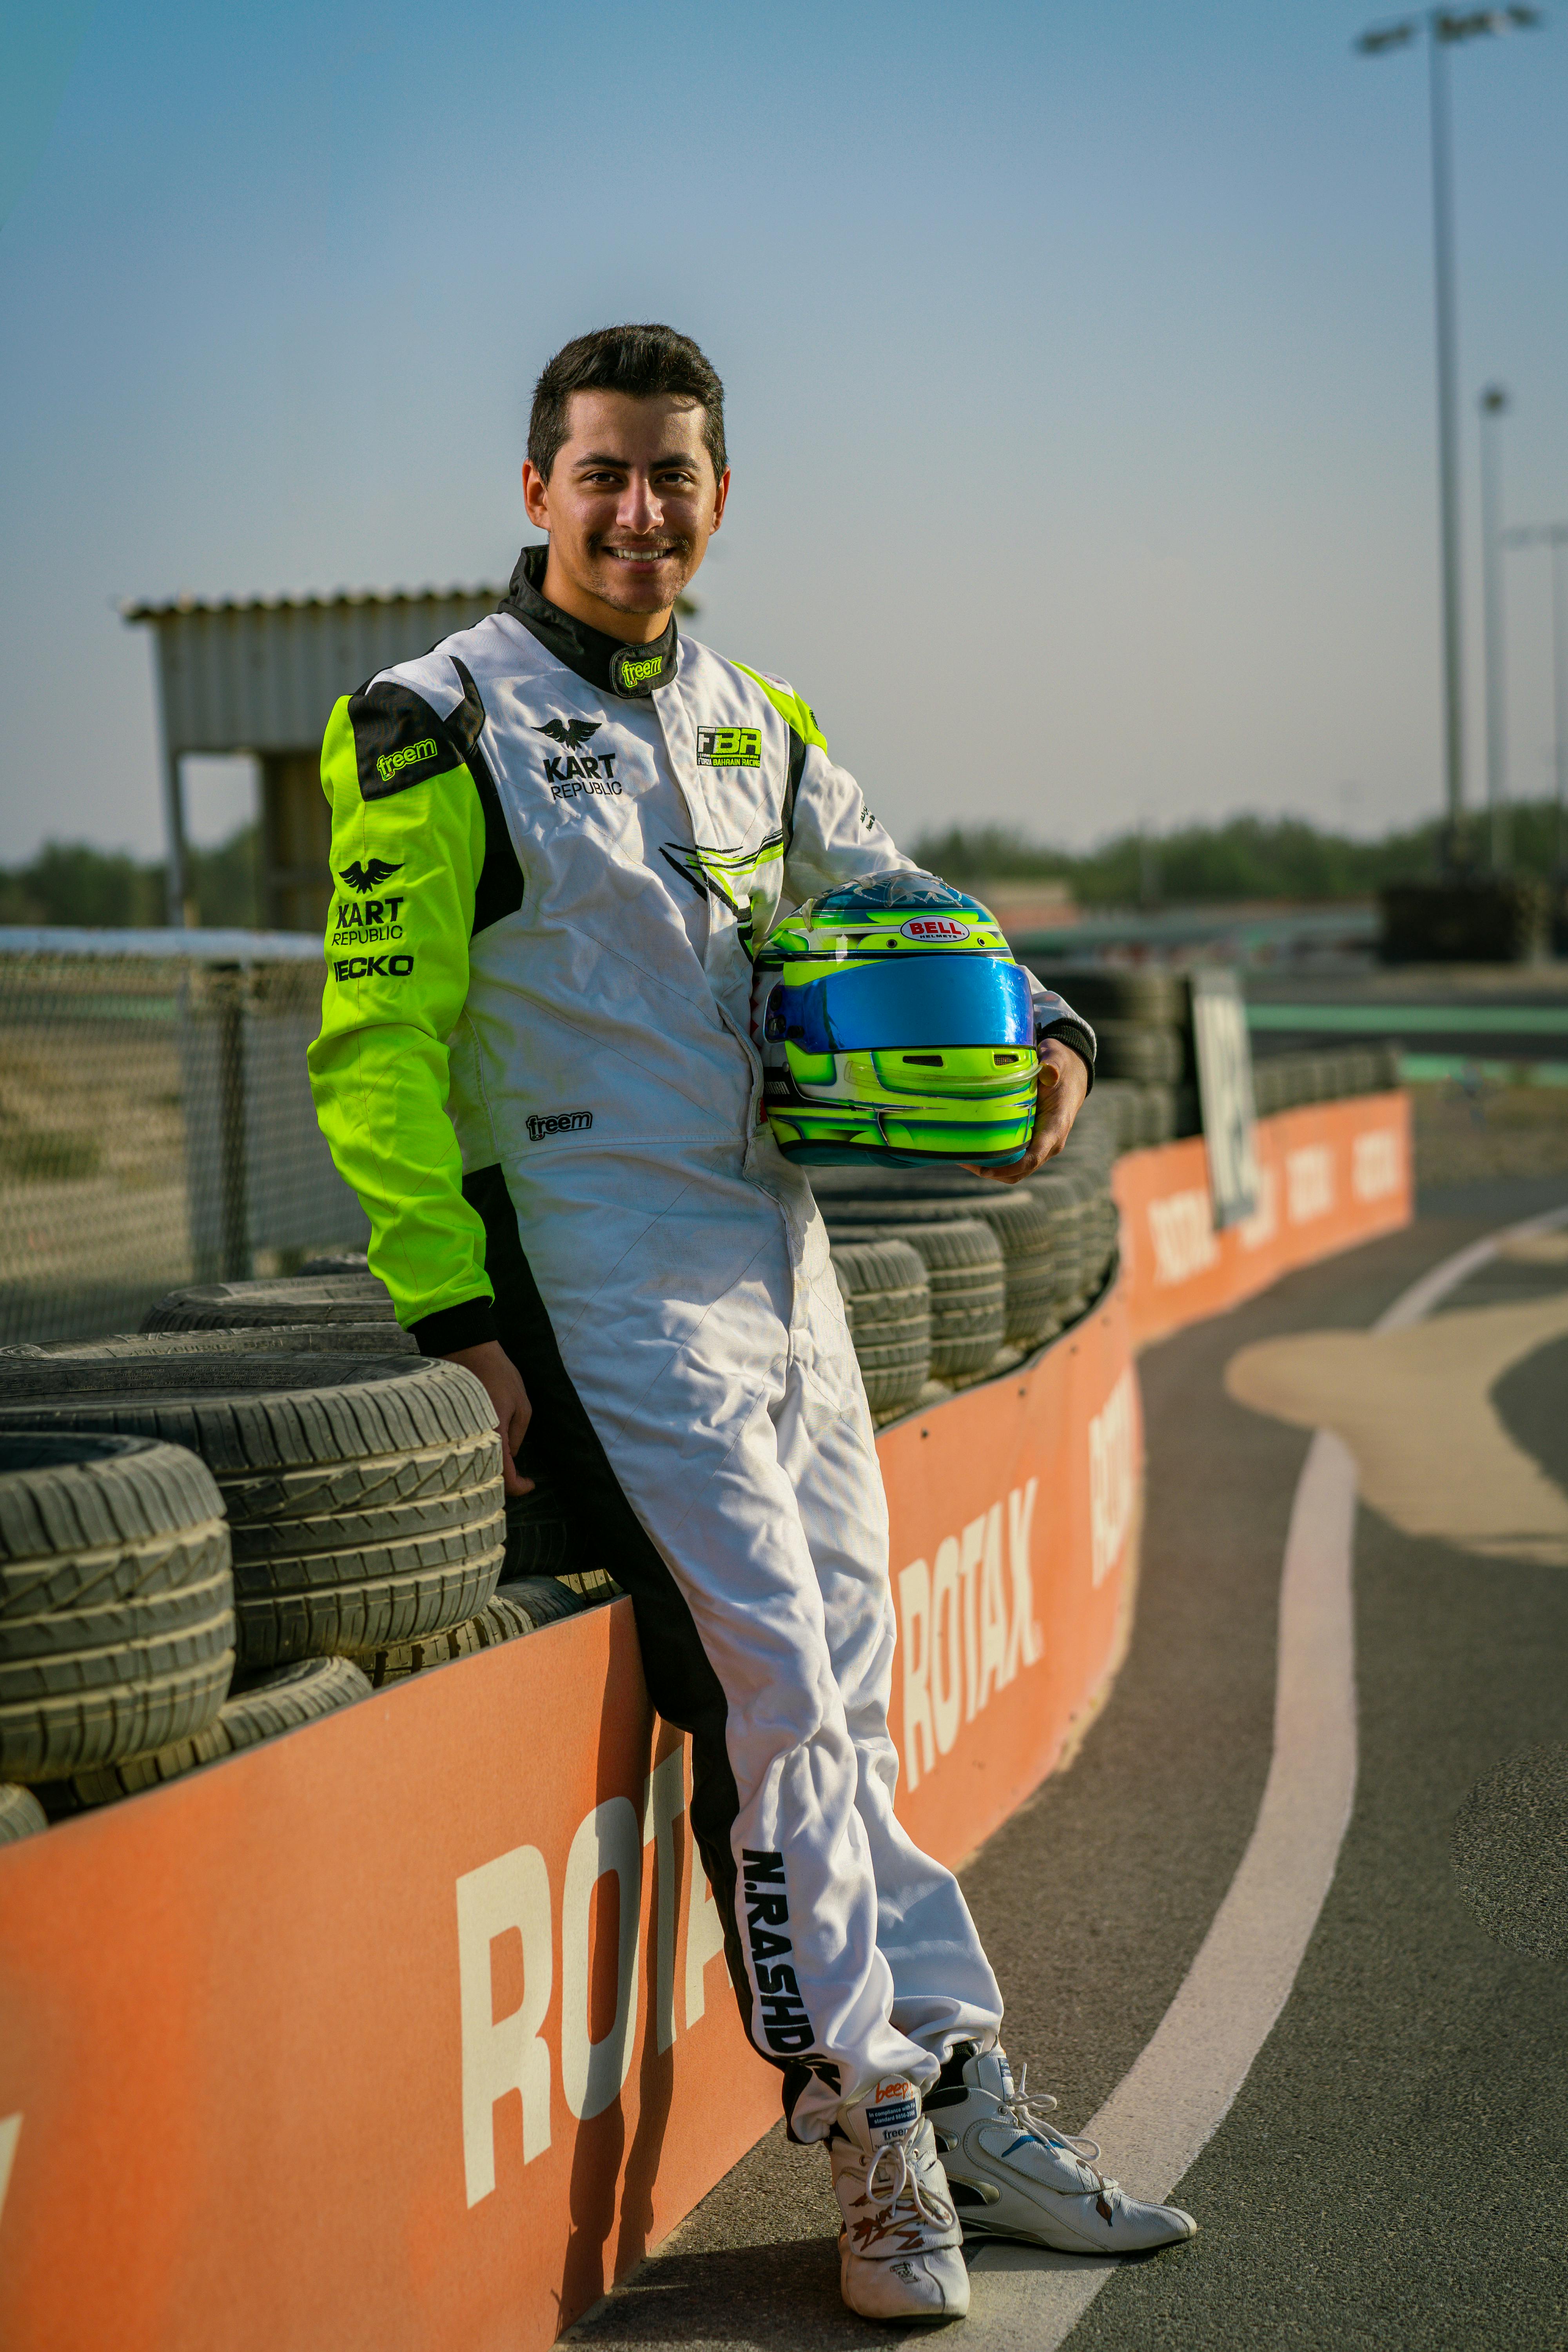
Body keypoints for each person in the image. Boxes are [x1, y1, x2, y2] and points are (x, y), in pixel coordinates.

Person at [309, 323, 1195, 2323]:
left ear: (721, 499)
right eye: (603, 473)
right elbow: (371, 1044)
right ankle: (865, 2127)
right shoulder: (430, 718)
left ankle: (957, 2084)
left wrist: (1032, 1014)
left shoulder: (751, 710)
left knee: (857, 1682)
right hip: (594, 1256)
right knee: (779, 1685)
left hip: (777, 1261)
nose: (640, 511)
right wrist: (448, 1303)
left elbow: (880, 880)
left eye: (675, 477)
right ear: (535, 490)